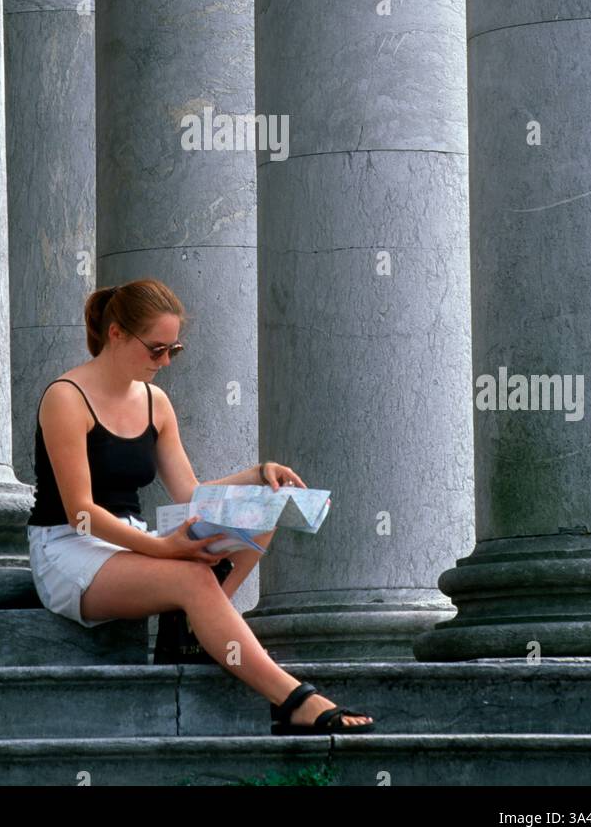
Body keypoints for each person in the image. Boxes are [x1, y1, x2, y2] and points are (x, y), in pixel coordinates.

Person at [26, 277, 374, 734]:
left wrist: (257, 474)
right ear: (116, 334)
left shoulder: (156, 402)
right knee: (191, 575)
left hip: (132, 544)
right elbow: (82, 513)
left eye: (175, 350)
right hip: (71, 549)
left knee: (259, 513)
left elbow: (189, 493)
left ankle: (195, 629)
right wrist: (165, 551)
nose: (166, 362)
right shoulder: (66, 398)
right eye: (156, 349)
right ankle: (292, 700)